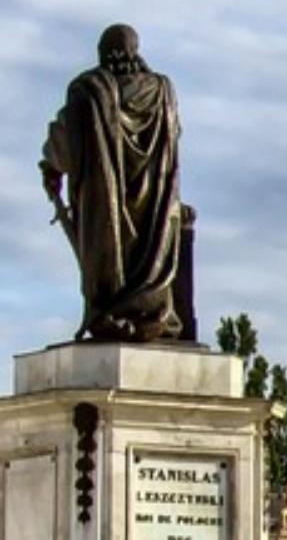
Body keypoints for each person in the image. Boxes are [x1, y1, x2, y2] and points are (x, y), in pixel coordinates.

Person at [41, 24, 183, 342]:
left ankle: (111, 310)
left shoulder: (88, 91)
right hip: (155, 209)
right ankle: (150, 310)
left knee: (110, 253)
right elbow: (175, 137)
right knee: (150, 251)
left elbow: (64, 140)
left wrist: (51, 166)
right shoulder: (162, 92)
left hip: (105, 209)